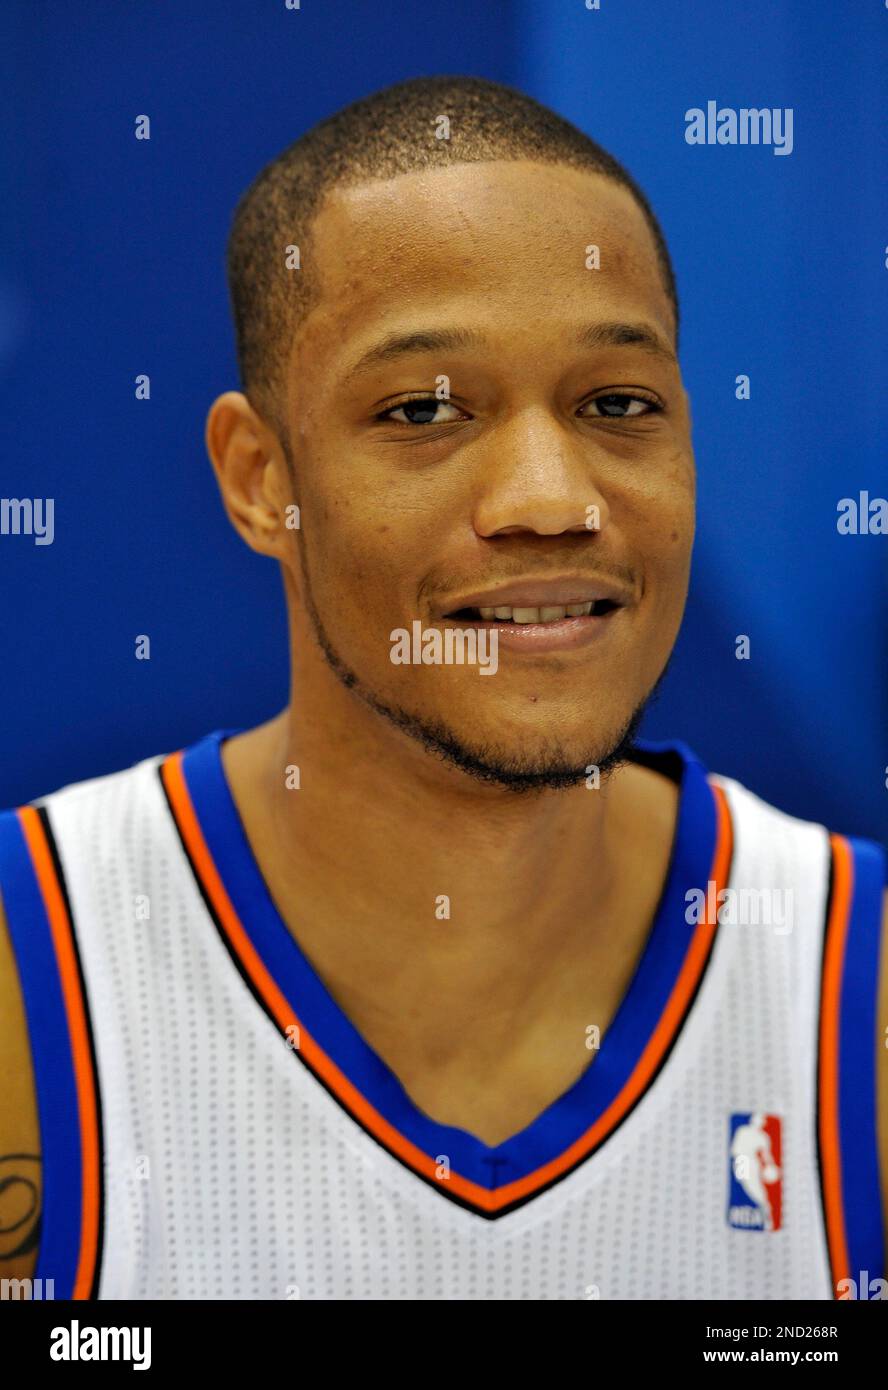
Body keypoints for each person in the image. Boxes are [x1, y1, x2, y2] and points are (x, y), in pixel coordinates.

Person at [0, 75, 885, 1301]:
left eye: (618, 403)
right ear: (260, 480)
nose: (551, 500)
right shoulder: (33, 967)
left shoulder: (854, 984)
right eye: (423, 410)